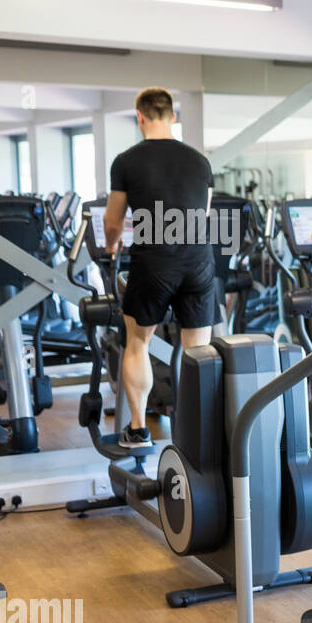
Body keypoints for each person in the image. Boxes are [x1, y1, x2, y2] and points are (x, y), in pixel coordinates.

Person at [103, 87, 218, 448]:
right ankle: (199, 433)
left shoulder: (126, 161)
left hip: (154, 261)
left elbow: (112, 220)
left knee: (137, 342)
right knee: (199, 351)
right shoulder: (200, 162)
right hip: (198, 261)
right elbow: (204, 213)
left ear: (140, 117)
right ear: (173, 116)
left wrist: (110, 246)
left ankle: (138, 430)